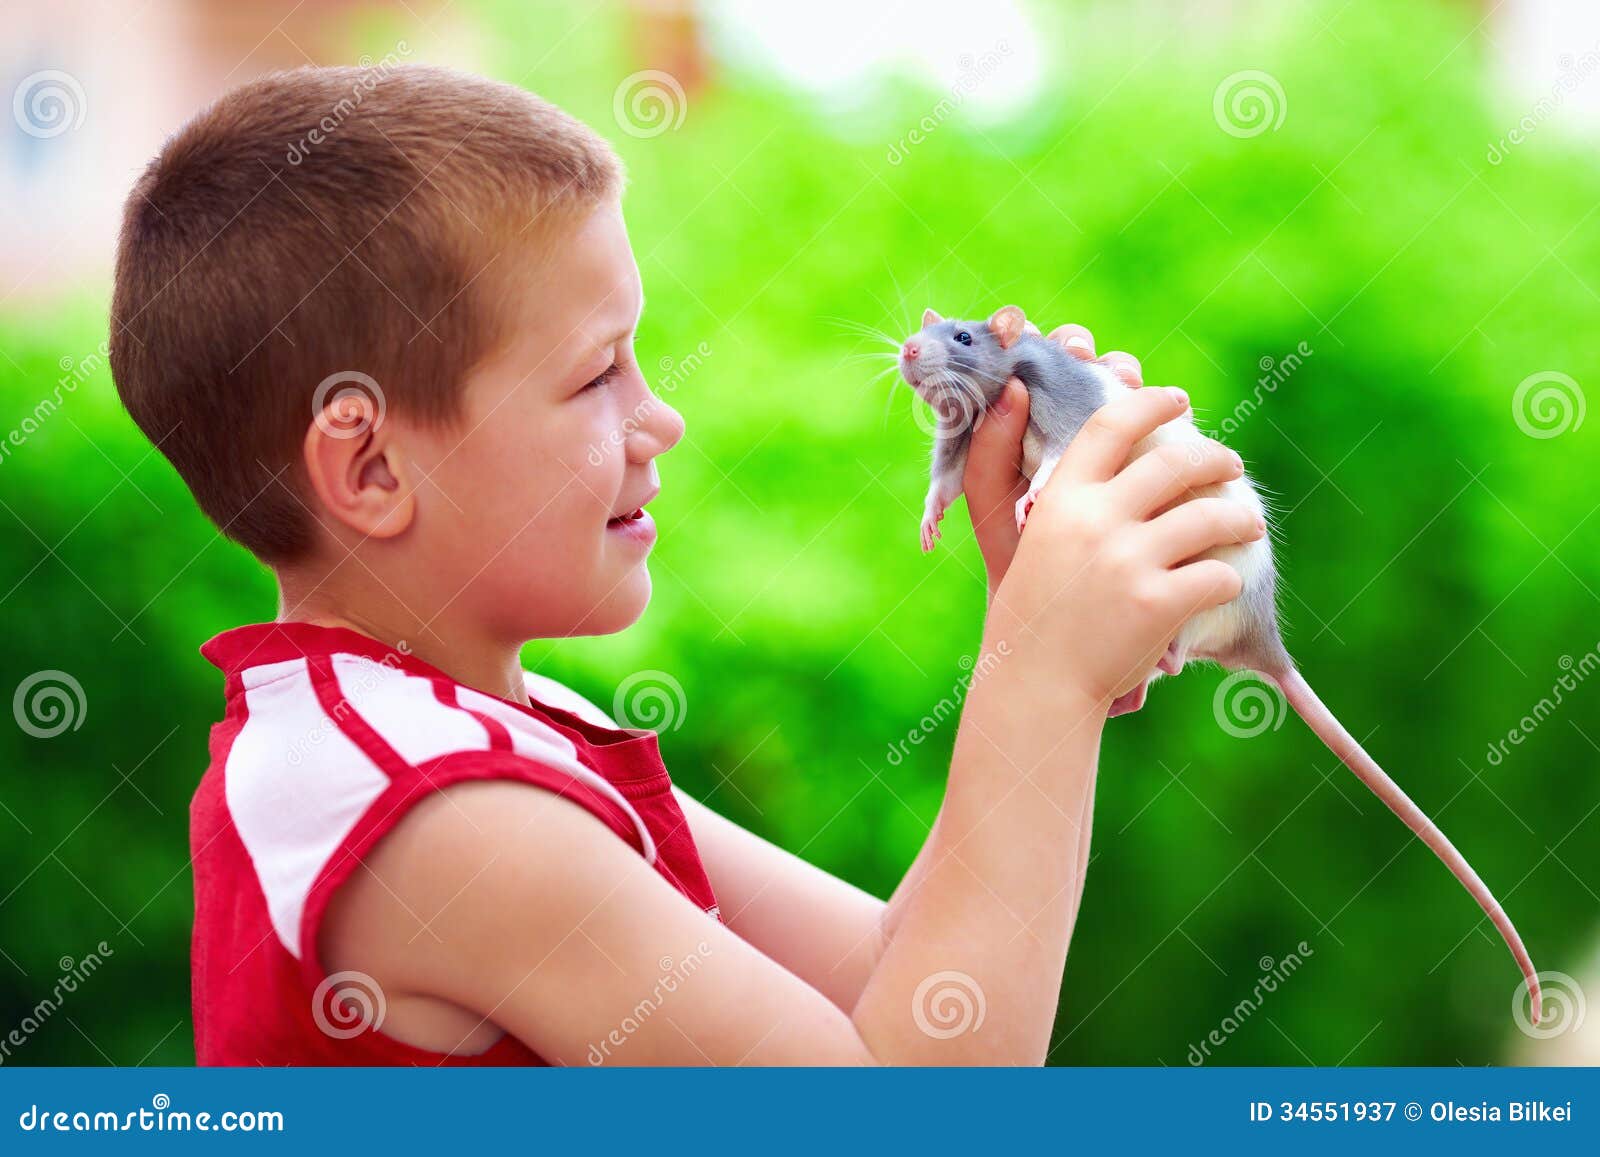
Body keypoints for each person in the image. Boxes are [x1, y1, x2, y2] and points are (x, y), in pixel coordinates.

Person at [108, 65, 1261, 1065]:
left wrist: (1047, 632)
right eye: (596, 372)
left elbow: (890, 986)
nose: (660, 418)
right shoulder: (430, 810)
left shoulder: (495, 727)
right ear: (368, 469)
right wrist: (1040, 675)